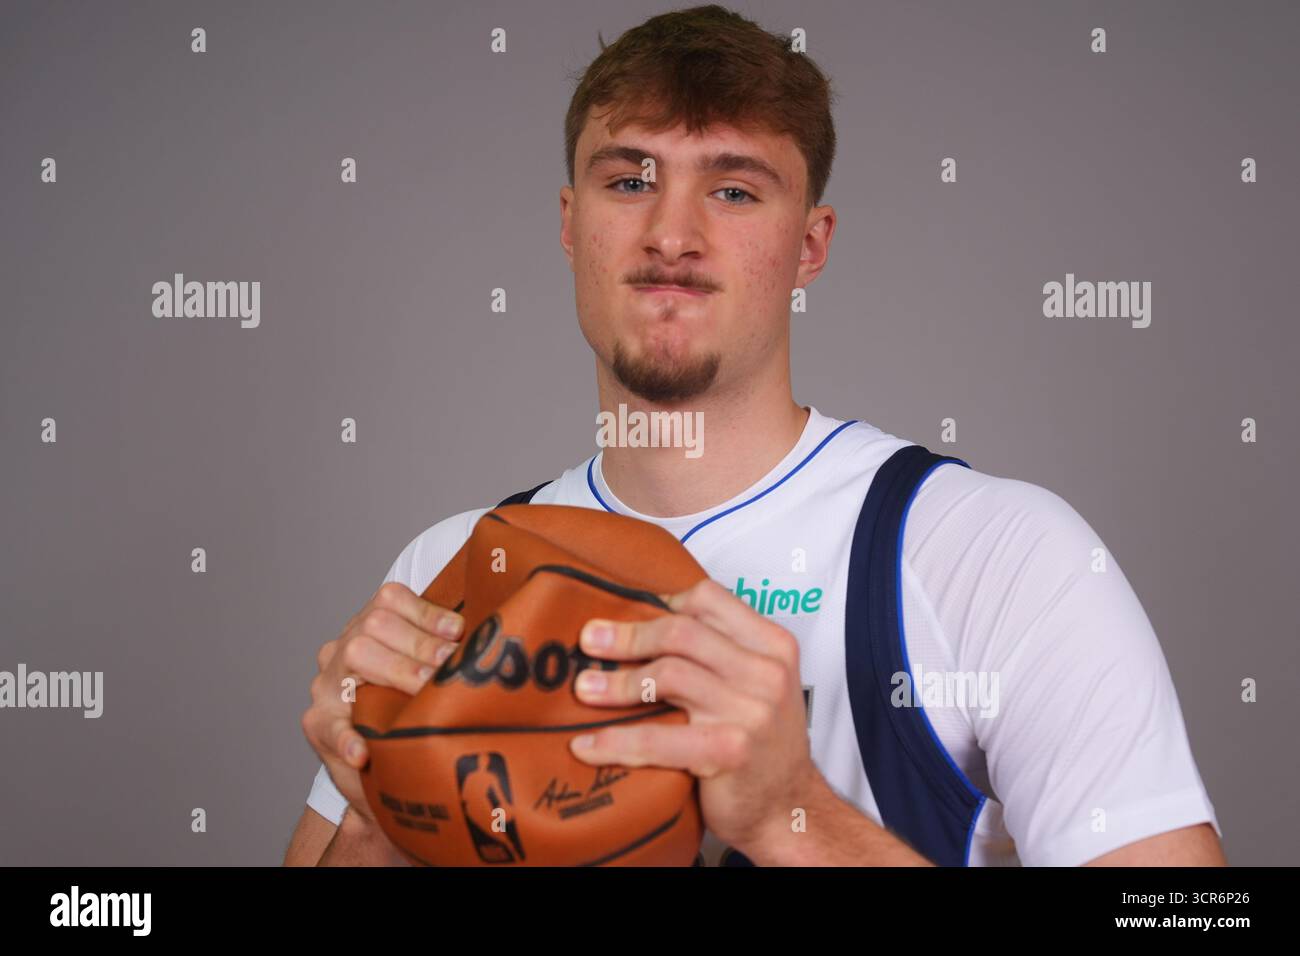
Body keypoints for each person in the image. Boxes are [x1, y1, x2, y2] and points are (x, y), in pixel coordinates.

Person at [285, 4, 1224, 867]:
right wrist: (381, 805)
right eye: (628, 180)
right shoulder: (452, 564)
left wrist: (789, 812)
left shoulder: (995, 556)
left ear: (810, 245)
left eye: (734, 191)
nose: (671, 234)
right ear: (571, 224)